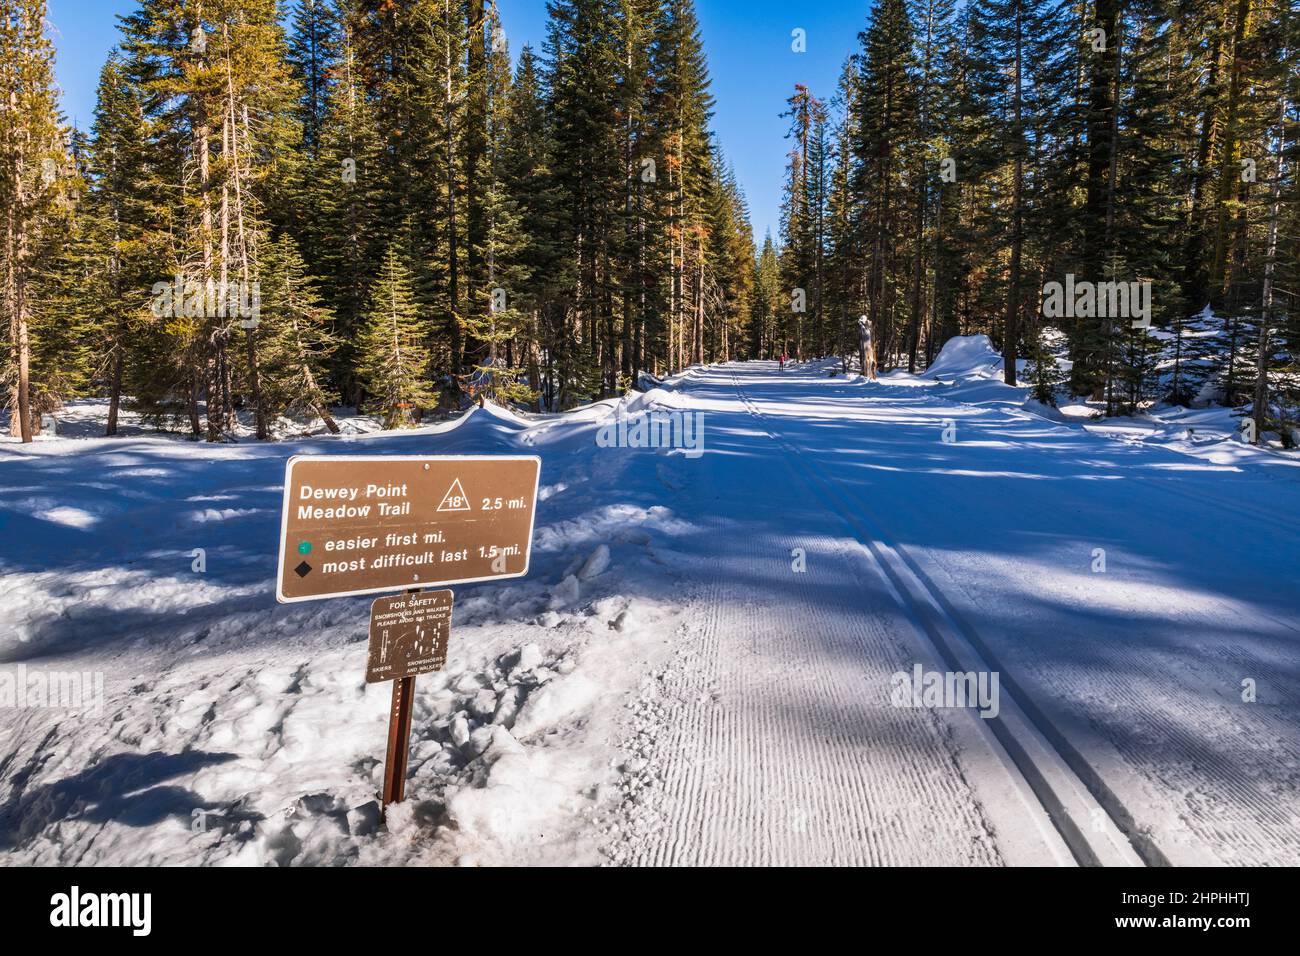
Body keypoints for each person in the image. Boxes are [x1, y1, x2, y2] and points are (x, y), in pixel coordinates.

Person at [856, 315, 877, 381]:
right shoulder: (862, 328)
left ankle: (869, 375)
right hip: (864, 348)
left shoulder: (866, 328)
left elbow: (867, 334)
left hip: (867, 348)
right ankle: (866, 375)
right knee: (865, 361)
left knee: (869, 361)